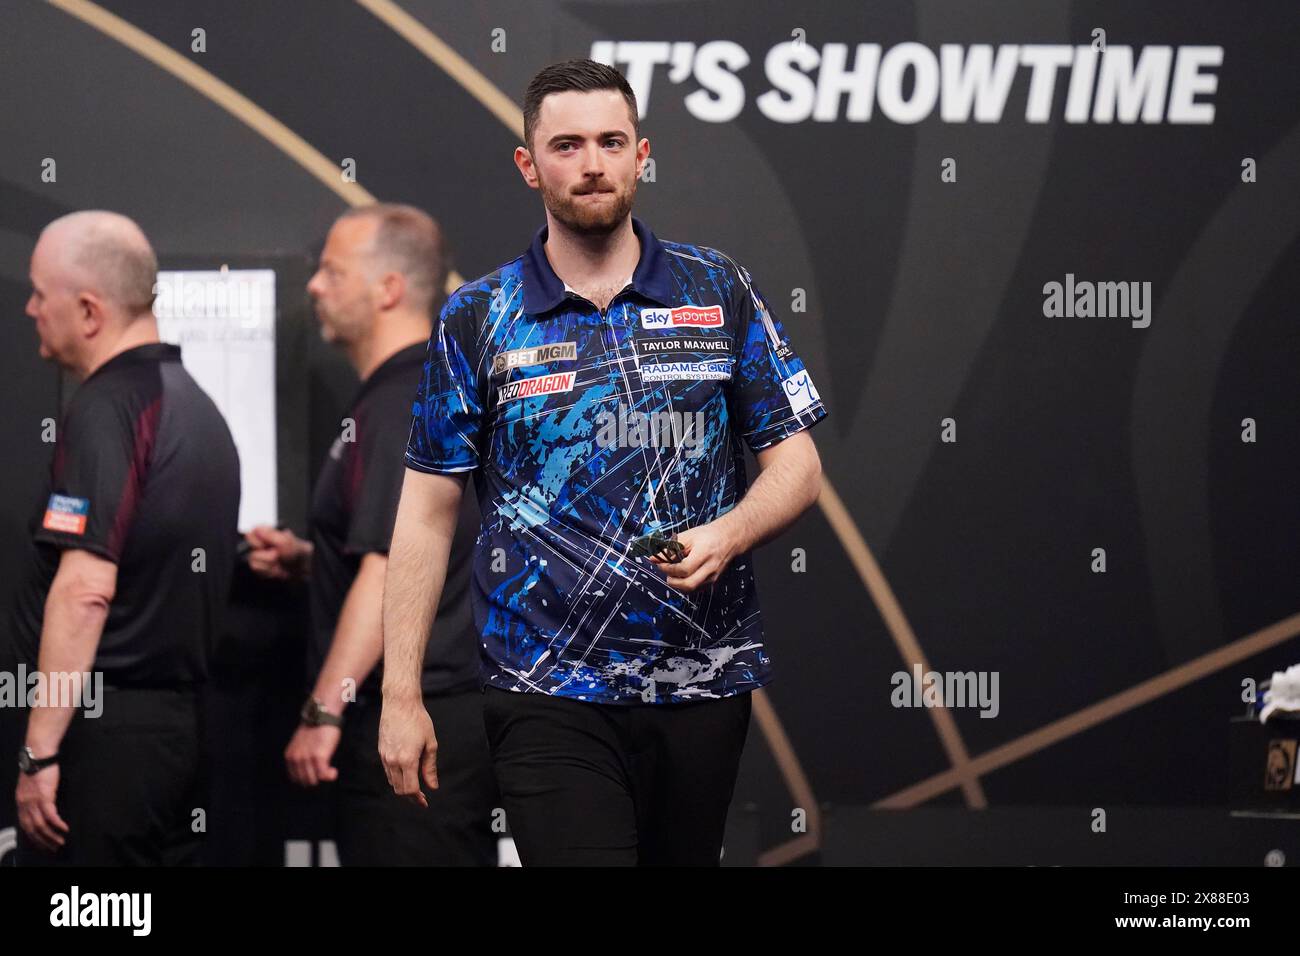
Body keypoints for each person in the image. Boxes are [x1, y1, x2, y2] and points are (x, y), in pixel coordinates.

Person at [380, 58, 826, 865]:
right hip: (544, 686)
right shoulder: (477, 317)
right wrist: (400, 694)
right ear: (529, 164)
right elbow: (425, 512)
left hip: (702, 680)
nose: (592, 163)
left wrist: (728, 535)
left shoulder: (716, 288)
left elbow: (797, 464)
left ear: (641, 153)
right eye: (568, 144)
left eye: (612, 141)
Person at [244, 204, 497, 866]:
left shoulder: (399, 404)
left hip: (413, 725)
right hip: (433, 719)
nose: (315, 286)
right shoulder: (411, 393)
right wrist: (313, 559)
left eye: (332, 271)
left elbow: (389, 569)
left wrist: (323, 712)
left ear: (388, 289)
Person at [12, 211, 241, 865]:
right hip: (177, 736)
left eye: (38, 293)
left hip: (104, 745)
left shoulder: (106, 408)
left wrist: (40, 750)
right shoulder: (197, 408)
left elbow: (85, 589)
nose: (29, 308)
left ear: (88, 311)